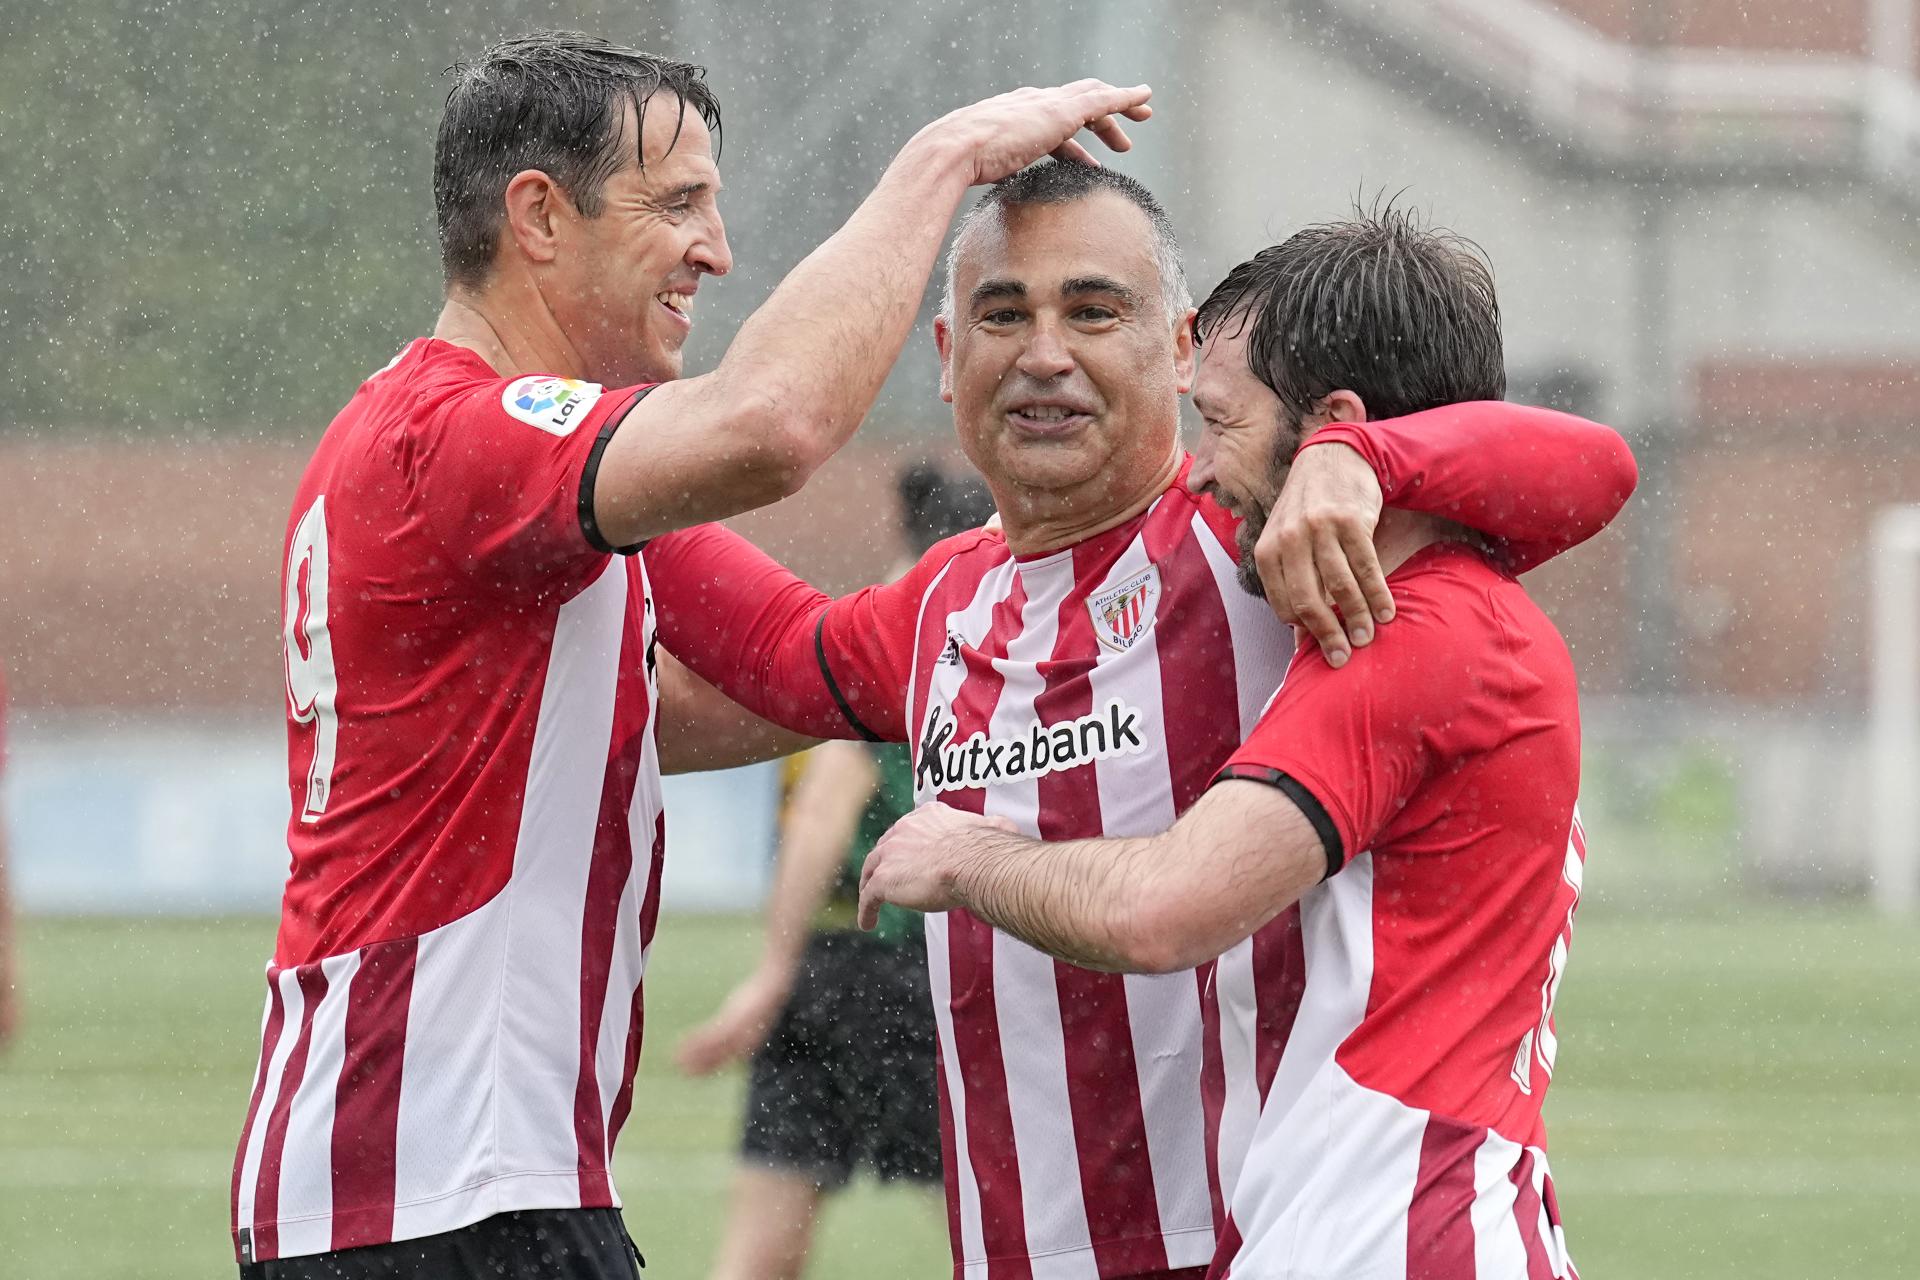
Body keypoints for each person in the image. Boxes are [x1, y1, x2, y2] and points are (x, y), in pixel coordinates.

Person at [230, 30, 1154, 1278]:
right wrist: (941, 161)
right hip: (433, 1192)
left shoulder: (547, 486)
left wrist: (1088, 535)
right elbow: (773, 425)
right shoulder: (455, 439)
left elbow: (817, 663)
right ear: (539, 217)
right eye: (677, 206)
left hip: (452, 1191)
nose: (715, 251)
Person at [647, 165, 1634, 1280]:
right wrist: (594, 453)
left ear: (1178, 347)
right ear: (945, 356)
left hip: (1267, 1238)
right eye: (1004, 314)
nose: (1044, 353)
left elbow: (1592, 467)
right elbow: (774, 648)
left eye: (1093, 309)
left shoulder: (1266, 543)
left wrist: (1361, 456)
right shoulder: (942, 606)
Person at [676, 463, 993, 1280]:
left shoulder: (891, 641)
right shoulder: (960, 645)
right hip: (912, 972)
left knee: (760, 1249)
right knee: (998, 1232)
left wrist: (777, 973)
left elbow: (820, 812)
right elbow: (827, 807)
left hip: (844, 970)